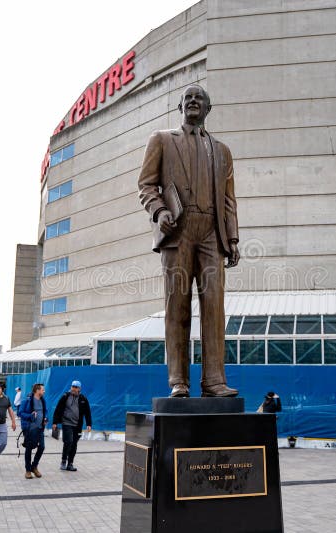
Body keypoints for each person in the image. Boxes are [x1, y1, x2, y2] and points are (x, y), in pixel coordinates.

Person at [137, 84, 241, 398]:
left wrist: (233, 238)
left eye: (199, 98)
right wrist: (159, 210)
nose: (193, 101)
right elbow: (146, 184)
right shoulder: (162, 140)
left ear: (208, 108)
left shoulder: (221, 150)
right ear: (180, 107)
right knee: (177, 306)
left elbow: (228, 200)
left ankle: (213, 381)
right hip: (178, 231)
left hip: (212, 232)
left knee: (214, 308)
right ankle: (178, 381)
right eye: (188, 98)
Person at [52, 380, 92, 472]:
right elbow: (58, 409)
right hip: (67, 423)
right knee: (68, 441)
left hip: (77, 425)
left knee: (74, 444)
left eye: (76, 387)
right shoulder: (65, 396)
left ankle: (70, 463)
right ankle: (63, 461)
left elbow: (87, 412)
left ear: (79, 389)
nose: (73, 388)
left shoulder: (83, 399)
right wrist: (55, 422)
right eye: (72, 386)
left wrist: (89, 424)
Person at [19, 383, 48, 479]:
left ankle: (34, 466)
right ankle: (28, 470)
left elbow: (45, 411)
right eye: (42, 389)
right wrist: (30, 416)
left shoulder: (43, 400)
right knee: (29, 448)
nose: (44, 391)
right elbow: (20, 413)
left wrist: (45, 418)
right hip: (30, 429)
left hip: (40, 428)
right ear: (37, 390)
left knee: (42, 447)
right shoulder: (27, 400)